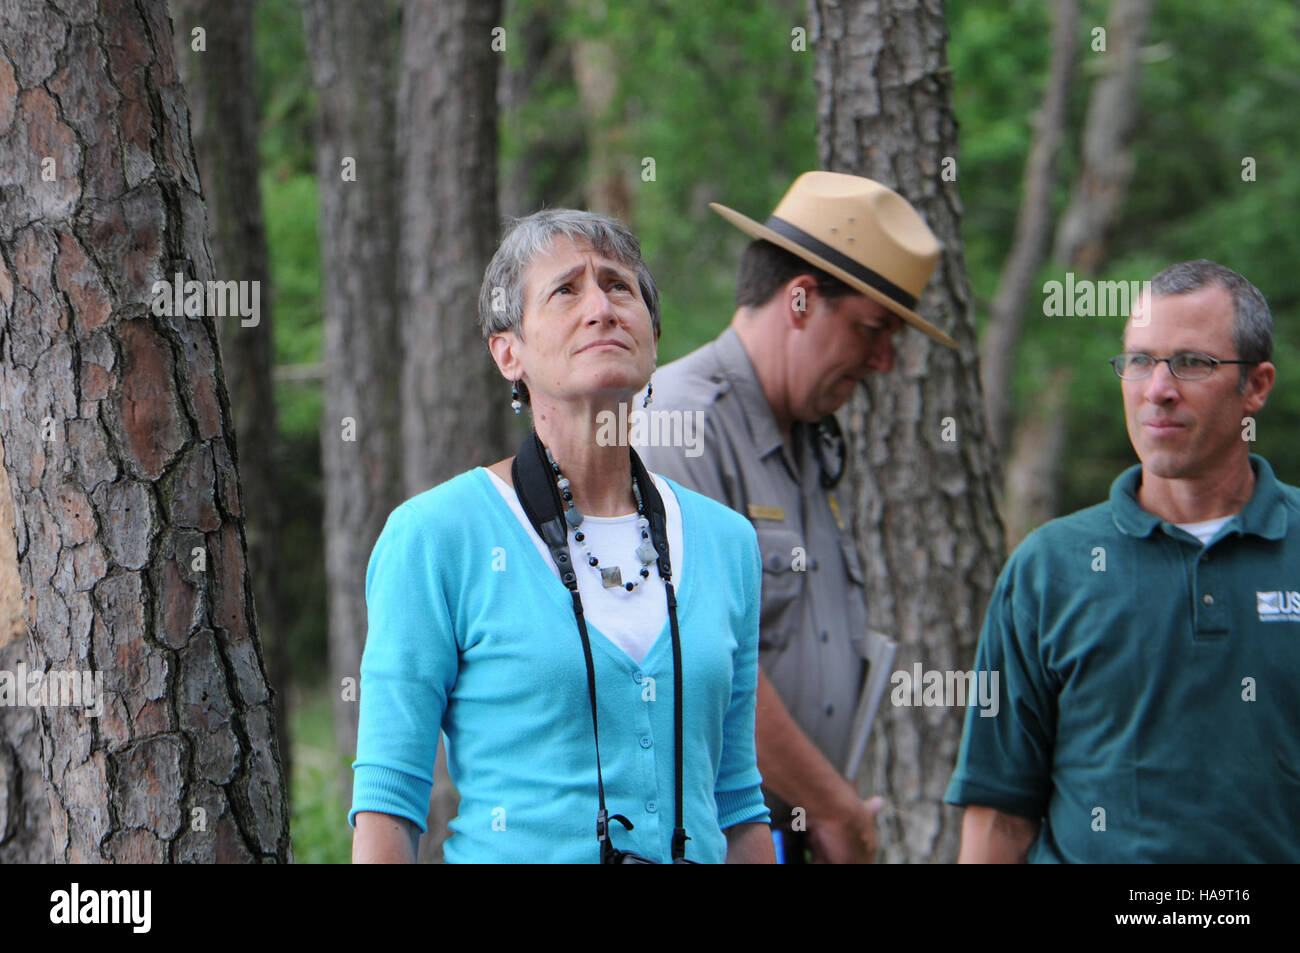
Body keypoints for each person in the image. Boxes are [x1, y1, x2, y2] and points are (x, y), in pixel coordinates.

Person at [349, 209, 773, 863]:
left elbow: (739, 803)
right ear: (507, 351)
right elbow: (387, 807)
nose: (601, 306)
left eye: (619, 285)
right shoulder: (437, 537)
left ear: (653, 336)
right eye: (566, 289)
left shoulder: (728, 542)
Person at [637, 171, 956, 862]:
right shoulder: (681, 425)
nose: (886, 361)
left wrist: (825, 807)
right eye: (873, 329)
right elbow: (702, 659)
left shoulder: (808, 437)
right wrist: (837, 809)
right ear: (802, 299)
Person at [947, 259, 1299, 863]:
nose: (1157, 389)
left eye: (1192, 363)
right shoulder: (1047, 569)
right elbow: (999, 814)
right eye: (1139, 361)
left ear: (1256, 386)